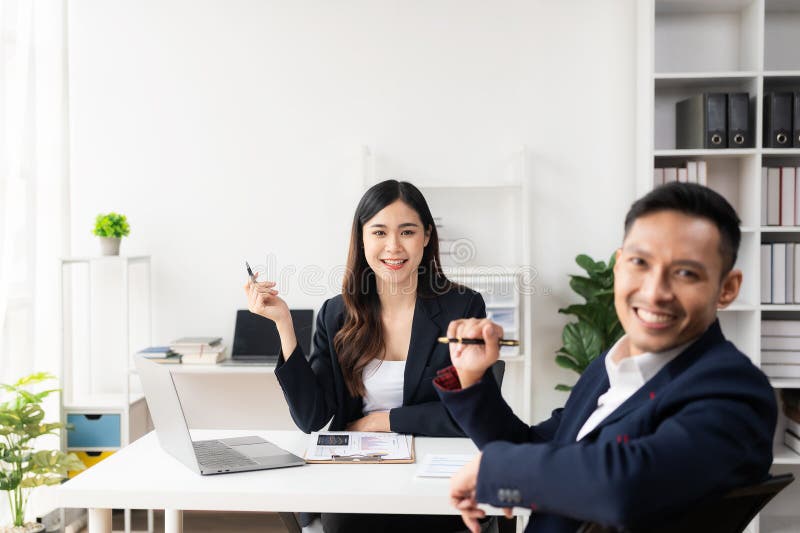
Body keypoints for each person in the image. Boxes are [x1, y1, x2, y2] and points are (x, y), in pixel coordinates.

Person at [435, 182, 777, 533]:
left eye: (686, 273)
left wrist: (498, 469)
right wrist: (472, 378)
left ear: (728, 288)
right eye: (639, 262)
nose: (654, 292)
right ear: (618, 266)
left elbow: (628, 486)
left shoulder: (734, 390)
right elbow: (537, 449)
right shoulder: (608, 366)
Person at [244, 179, 486, 533]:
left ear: (427, 236)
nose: (393, 247)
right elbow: (311, 417)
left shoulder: (463, 307)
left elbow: (466, 412)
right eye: (378, 232)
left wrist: (381, 421)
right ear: (361, 238)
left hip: (436, 473)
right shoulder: (336, 314)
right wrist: (284, 324)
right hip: (359, 475)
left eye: (407, 231)